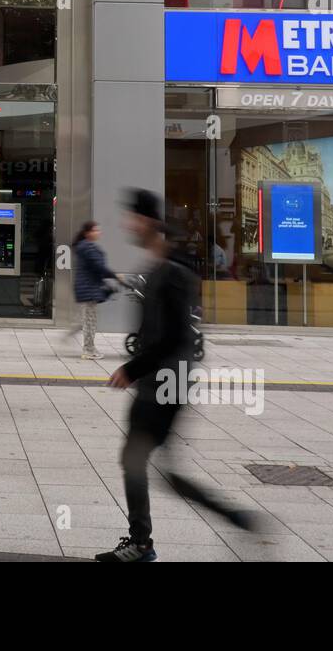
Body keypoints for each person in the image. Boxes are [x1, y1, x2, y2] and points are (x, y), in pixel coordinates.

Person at [96, 189, 255, 563]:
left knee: (138, 460)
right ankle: (225, 521)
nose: (126, 225)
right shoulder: (159, 267)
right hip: (161, 380)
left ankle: (145, 543)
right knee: (154, 465)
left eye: (132, 217)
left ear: (149, 222)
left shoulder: (173, 272)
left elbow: (174, 336)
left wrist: (131, 369)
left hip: (166, 383)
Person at [72, 220, 120, 360]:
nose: (99, 232)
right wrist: (115, 275)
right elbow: (99, 266)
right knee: (90, 321)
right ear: (88, 233)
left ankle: (89, 347)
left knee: (89, 320)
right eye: (95, 230)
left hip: (88, 288)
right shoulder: (87, 247)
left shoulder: (86, 246)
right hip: (88, 289)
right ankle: (88, 350)